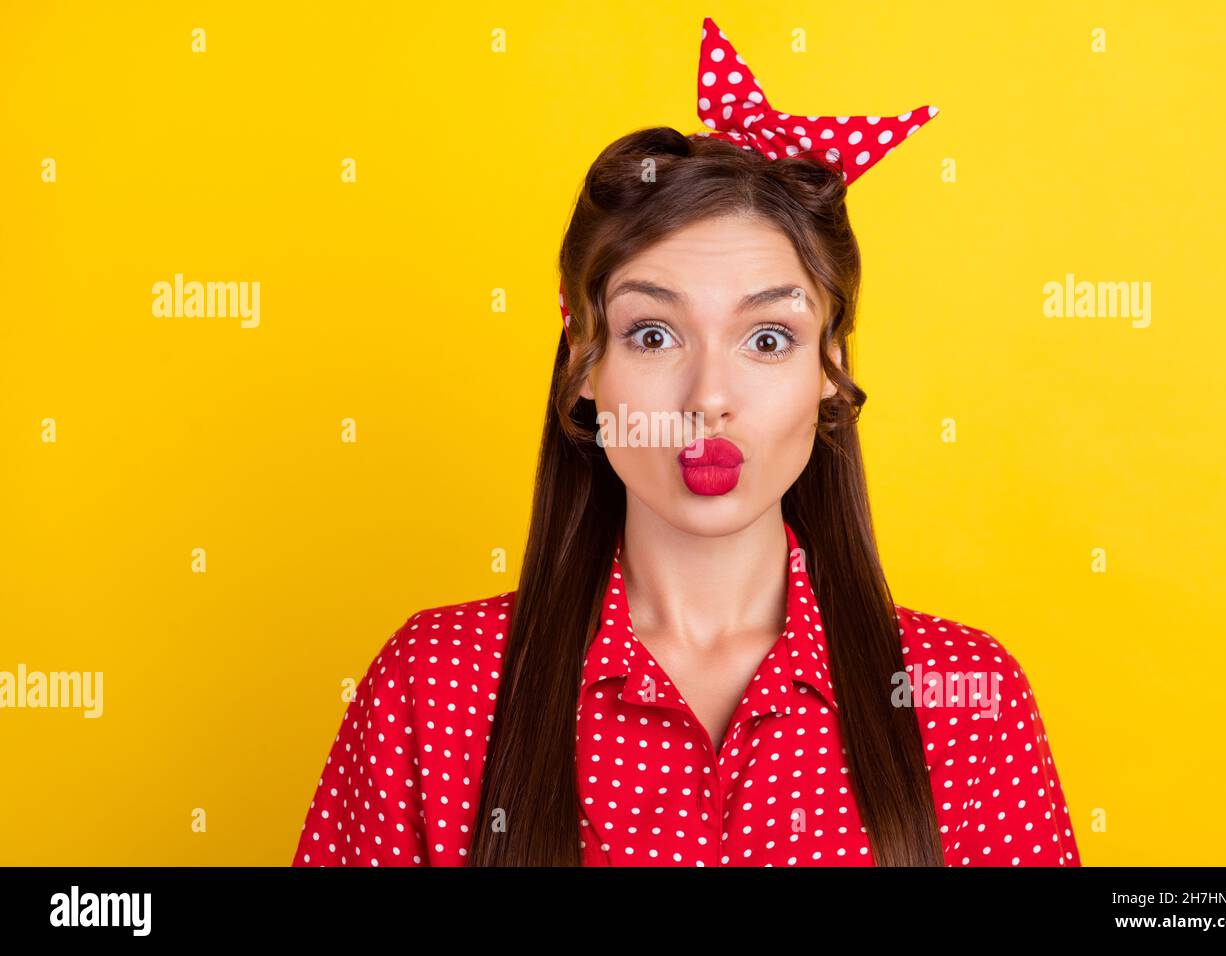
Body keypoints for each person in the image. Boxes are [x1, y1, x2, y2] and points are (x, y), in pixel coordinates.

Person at [292, 17, 1080, 868]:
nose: (709, 399)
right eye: (654, 335)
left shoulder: (967, 701)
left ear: (830, 368)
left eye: (768, 338)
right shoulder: (434, 688)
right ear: (584, 366)